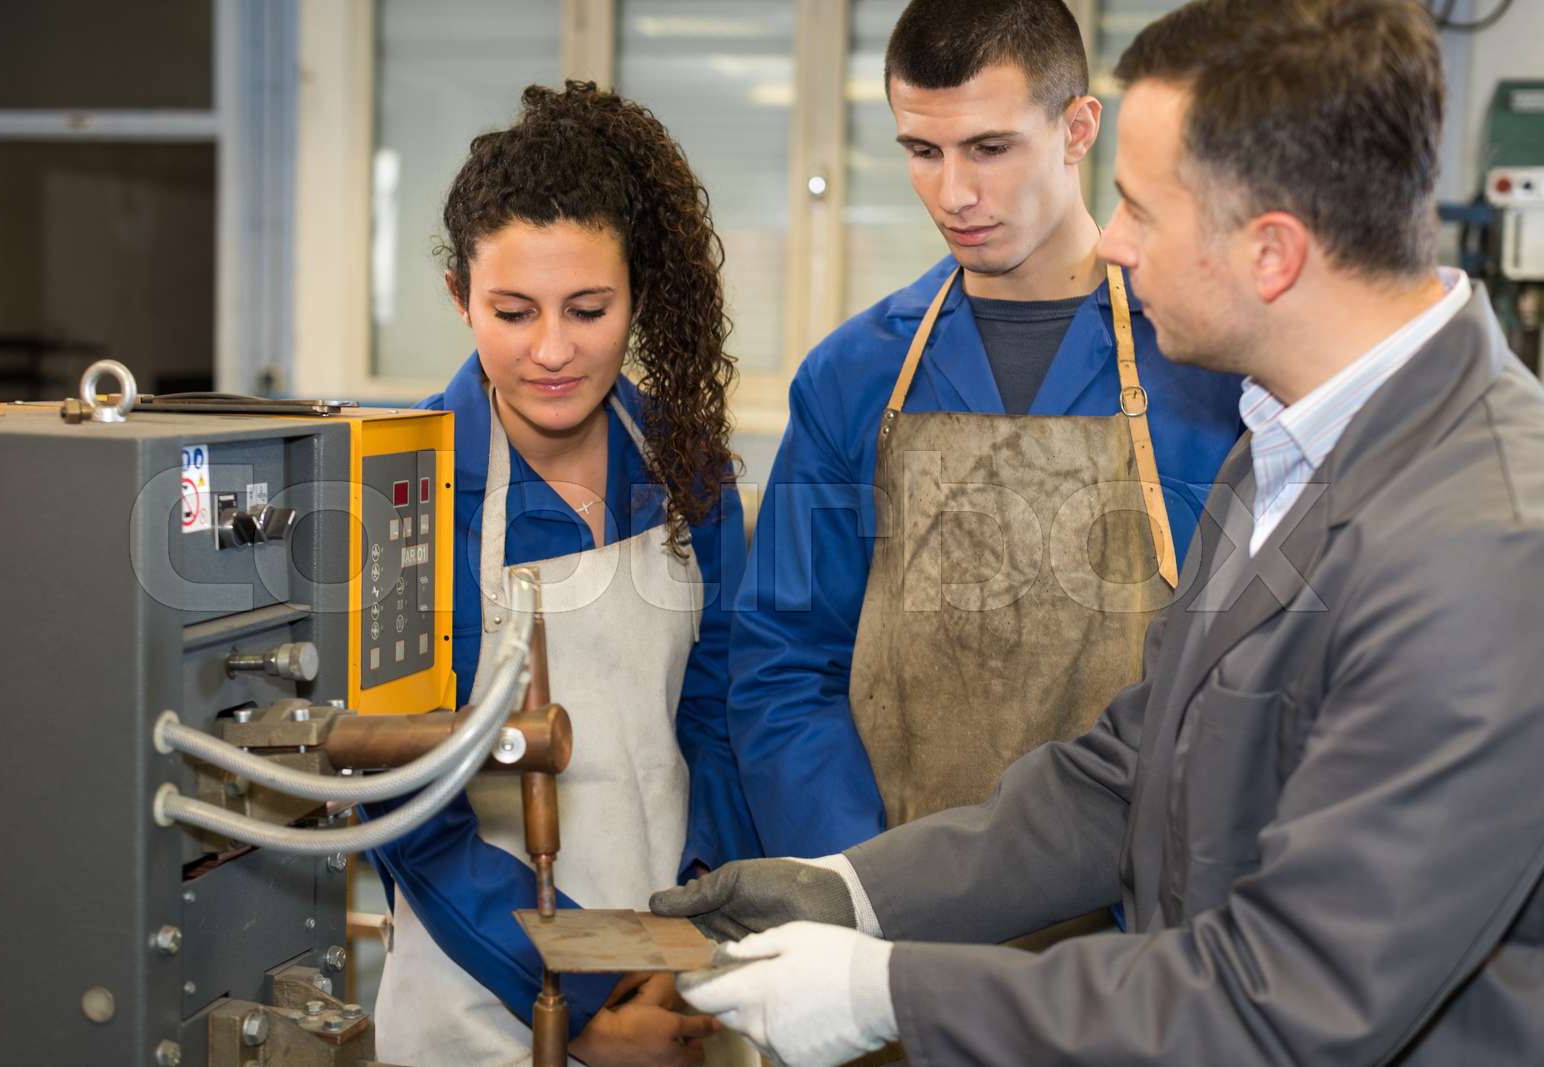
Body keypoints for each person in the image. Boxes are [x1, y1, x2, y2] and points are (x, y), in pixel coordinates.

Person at [653, 1, 1544, 1064]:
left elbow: (1288, 996)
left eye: (1137, 208)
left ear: (1270, 253)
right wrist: (852, 884)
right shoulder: (1285, 440)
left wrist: (889, 987)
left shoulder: (1487, 544)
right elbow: (1133, 763)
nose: (1111, 243)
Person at [728, 0, 1244, 864]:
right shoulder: (851, 380)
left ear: (1079, 128)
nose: (953, 193)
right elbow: (784, 663)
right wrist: (869, 891)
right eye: (922, 152)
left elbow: (1242, 679)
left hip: (1134, 926)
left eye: (990, 148)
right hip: (894, 919)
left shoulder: (1205, 373)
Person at [364, 81, 762, 1067]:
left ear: (637, 296)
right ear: (459, 297)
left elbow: (717, 713)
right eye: (511, 310)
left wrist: (679, 942)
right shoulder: (404, 490)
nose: (551, 350)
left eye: (589, 308)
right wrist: (588, 999)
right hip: (480, 992)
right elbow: (404, 803)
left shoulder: (684, 467)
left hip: (672, 968)